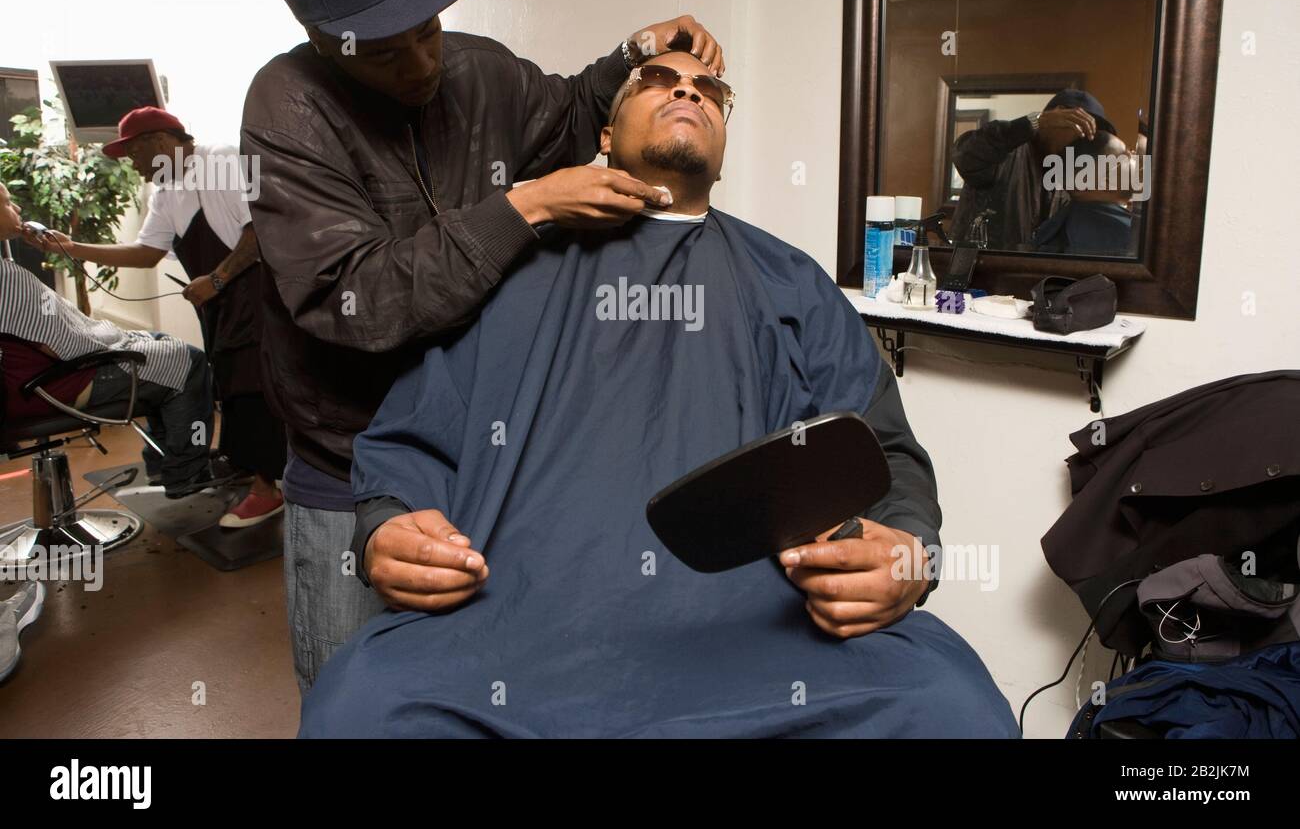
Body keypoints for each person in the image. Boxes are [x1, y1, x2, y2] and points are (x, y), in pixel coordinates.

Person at [298, 51, 1019, 737]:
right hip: (515, 625)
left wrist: (908, 556)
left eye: (710, 90)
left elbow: (886, 454)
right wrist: (387, 528)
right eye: (658, 80)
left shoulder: (790, 281)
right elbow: (410, 441)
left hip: (758, 628)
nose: (688, 92)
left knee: (950, 705)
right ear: (605, 133)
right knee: (360, 704)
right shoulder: (510, 264)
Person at [243, 0, 728, 694]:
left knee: (483, 696)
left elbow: (570, 110)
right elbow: (358, 298)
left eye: (428, 30)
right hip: (352, 463)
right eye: (388, 53)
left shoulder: (475, 68)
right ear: (324, 43)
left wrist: (635, 51)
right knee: (354, 700)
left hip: (482, 460)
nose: (423, 63)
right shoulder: (287, 112)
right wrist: (525, 208)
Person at [31, 108, 287, 527]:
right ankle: (250, 468)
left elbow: (258, 232)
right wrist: (72, 248)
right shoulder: (166, 190)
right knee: (232, 385)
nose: (131, 164)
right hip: (219, 301)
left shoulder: (219, 159)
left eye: (133, 153)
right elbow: (146, 252)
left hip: (255, 293)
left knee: (252, 388)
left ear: (160, 141)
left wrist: (218, 280)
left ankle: (266, 490)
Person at [2, 182, 215, 497]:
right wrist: (120, 340)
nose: (18, 209)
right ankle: (188, 474)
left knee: (159, 343)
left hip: (26, 385)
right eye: (7, 203)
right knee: (190, 361)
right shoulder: (9, 279)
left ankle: (162, 463)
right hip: (59, 384)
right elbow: (70, 348)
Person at [950, 88, 1131, 251]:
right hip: (979, 275)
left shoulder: (1071, 172)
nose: (1084, 140)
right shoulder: (1005, 156)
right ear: (1052, 120)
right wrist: (1033, 122)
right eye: (1080, 128)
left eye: (1092, 134)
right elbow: (964, 154)